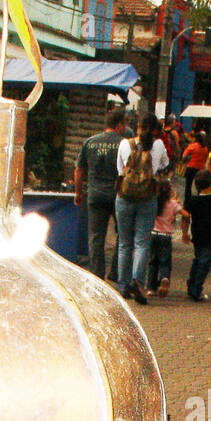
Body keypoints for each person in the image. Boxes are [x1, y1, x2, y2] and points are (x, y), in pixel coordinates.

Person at [115, 115, 169, 304]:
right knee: (142, 242)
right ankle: (137, 280)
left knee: (124, 242)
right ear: (155, 129)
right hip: (147, 198)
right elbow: (164, 166)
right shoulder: (159, 145)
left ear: (137, 127)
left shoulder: (124, 144)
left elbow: (119, 169)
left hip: (124, 196)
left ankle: (122, 286)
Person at [74, 104, 127, 279]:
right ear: (119, 125)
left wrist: (78, 192)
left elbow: (79, 169)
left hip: (95, 194)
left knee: (96, 237)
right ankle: (115, 272)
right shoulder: (123, 144)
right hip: (118, 195)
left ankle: (97, 275)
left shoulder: (90, 142)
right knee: (123, 234)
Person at [184, 168, 211, 302]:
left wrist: (185, 232)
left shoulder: (193, 200)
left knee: (197, 258)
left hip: (197, 233)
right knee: (205, 262)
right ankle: (197, 287)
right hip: (209, 234)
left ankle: (191, 283)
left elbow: (186, 216)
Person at [148, 179, 188, 297]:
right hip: (166, 236)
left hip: (153, 234)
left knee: (152, 262)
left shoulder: (153, 202)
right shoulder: (172, 204)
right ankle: (165, 277)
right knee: (165, 261)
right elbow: (186, 214)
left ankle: (151, 288)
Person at [181, 130, 207, 207]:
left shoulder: (192, 146)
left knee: (188, 186)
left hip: (191, 167)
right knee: (199, 186)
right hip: (200, 168)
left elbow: (184, 156)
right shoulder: (205, 148)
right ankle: (199, 201)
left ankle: (187, 202)